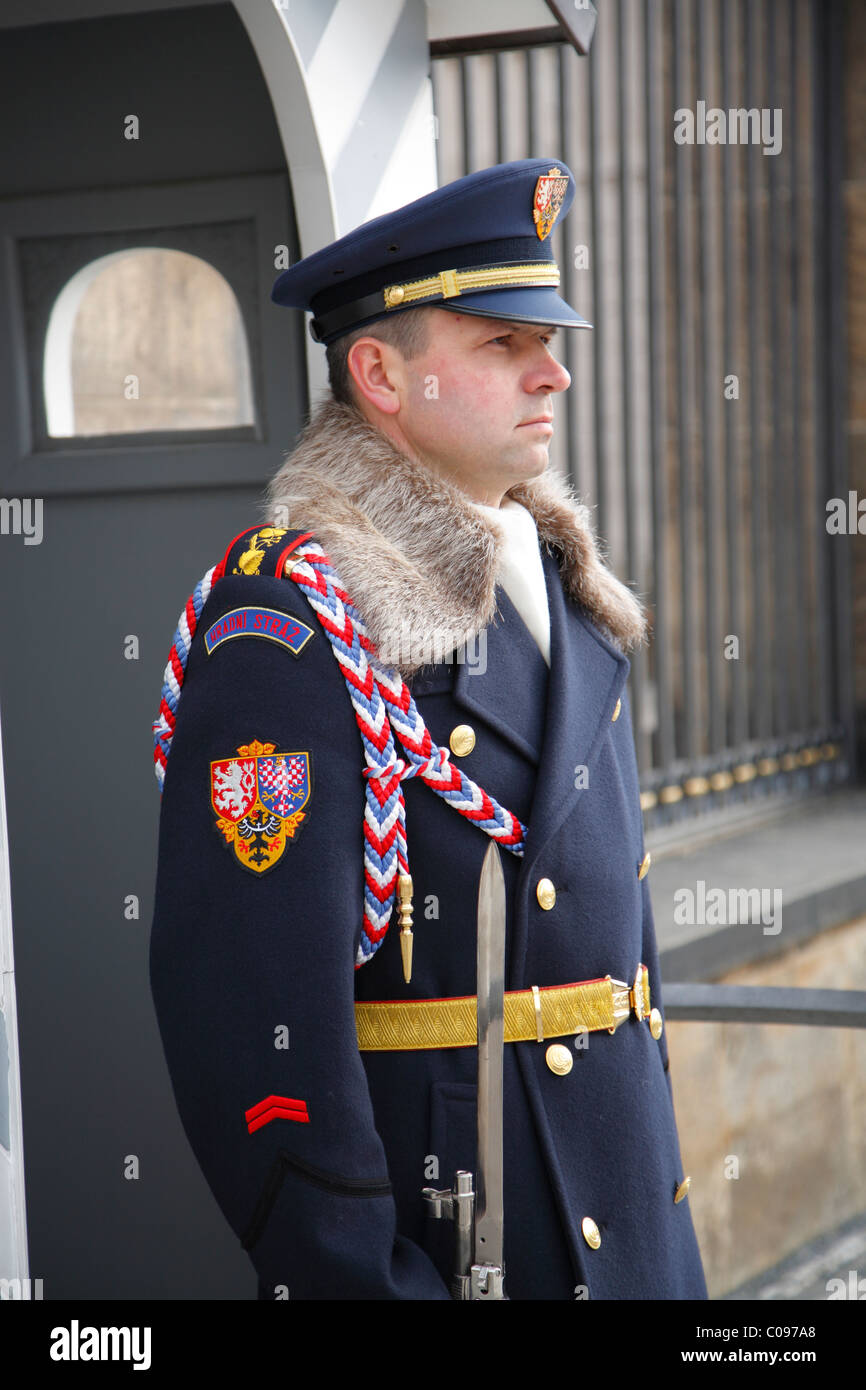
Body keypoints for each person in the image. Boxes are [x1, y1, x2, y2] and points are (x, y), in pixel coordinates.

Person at [149, 158, 707, 1300]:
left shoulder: (562, 589)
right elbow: (250, 1023)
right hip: (461, 1253)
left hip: (627, 1235)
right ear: (379, 375)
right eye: (501, 342)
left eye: (545, 338)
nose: (551, 370)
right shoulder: (291, 626)